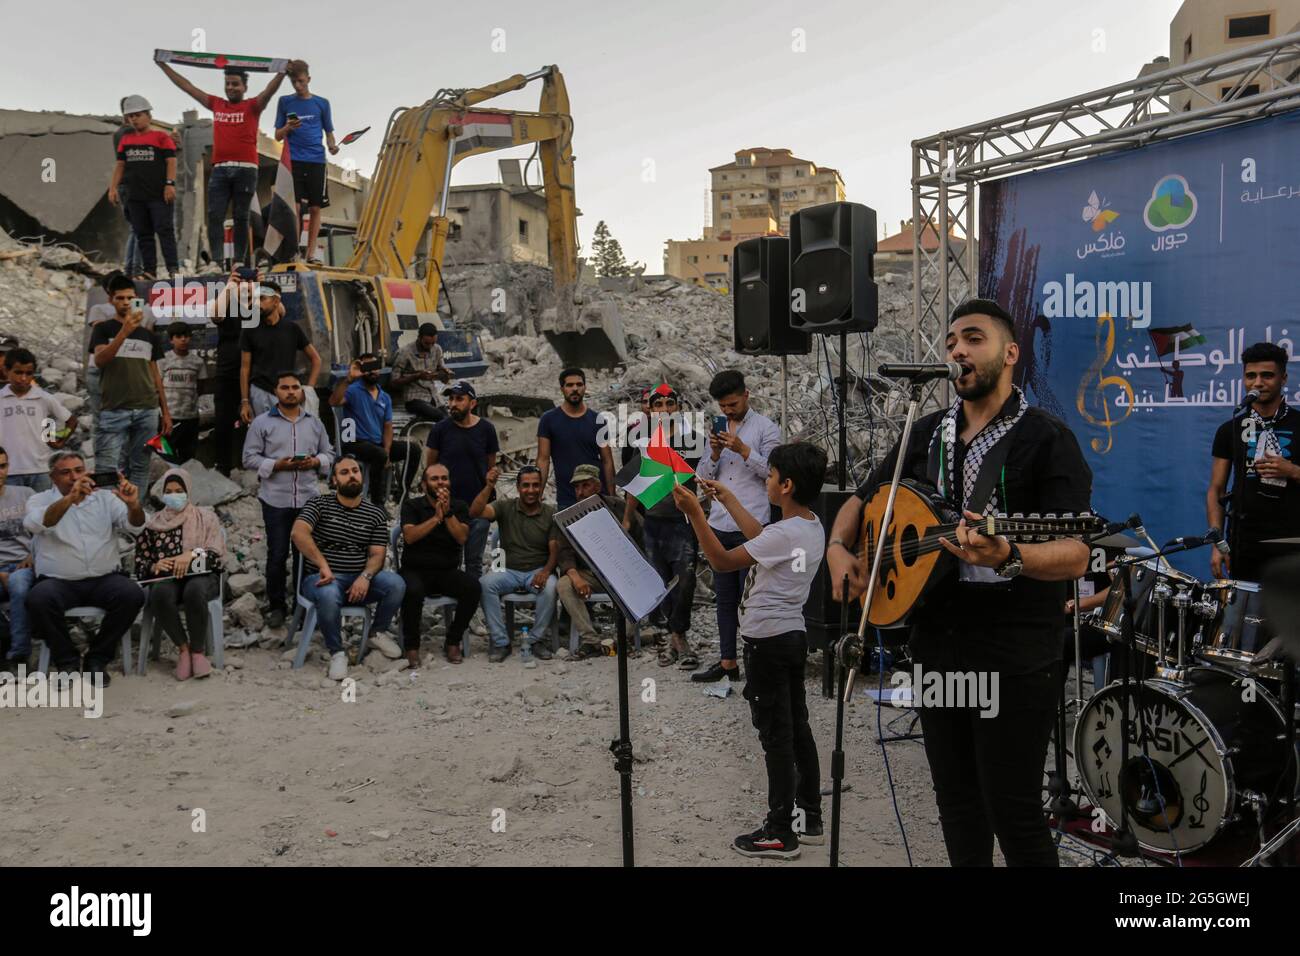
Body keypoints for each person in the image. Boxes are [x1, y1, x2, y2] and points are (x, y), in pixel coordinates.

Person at [826, 298, 1092, 867]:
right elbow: (862, 498)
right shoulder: (924, 434)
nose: (957, 351)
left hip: (1015, 650)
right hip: (939, 643)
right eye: (950, 343)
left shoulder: (1047, 440)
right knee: (957, 804)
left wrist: (1009, 554)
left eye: (973, 339)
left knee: (1012, 809)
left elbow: (1075, 553)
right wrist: (836, 549)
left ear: (1010, 353)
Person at [673, 442, 828, 859]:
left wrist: (696, 514)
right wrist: (731, 499)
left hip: (767, 642)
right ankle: (808, 816)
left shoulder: (785, 531)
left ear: (787, 484)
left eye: (771, 475)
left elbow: (723, 561)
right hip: (791, 636)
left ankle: (780, 832)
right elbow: (764, 540)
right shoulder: (809, 525)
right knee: (797, 727)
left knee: (775, 735)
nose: (768, 480)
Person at [23, 452, 147, 685]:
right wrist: (70, 498)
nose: (74, 477)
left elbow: (137, 525)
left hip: (103, 579)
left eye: (79, 470)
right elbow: (41, 523)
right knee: (38, 599)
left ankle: (97, 658)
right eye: (65, 472)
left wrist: (133, 505)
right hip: (59, 582)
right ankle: (66, 661)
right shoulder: (39, 500)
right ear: (52, 477)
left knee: (132, 594)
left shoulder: (105, 498)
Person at [692, 369, 780, 683]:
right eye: (723, 406)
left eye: (732, 404)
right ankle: (728, 662)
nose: (728, 410)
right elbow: (702, 476)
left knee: (752, 601)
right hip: (719, 523)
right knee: (725, 599)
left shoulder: (766, 428)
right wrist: (715, 452)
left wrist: (743, 450)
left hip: (751, 523)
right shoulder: (717, 429)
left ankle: (755, 664)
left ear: (746, 394)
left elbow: (773, 474)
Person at [157, 61, 287, 268]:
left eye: (235, 84)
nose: (230, 88)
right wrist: (163, 65)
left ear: (244, 87)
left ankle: (238, 262)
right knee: (215, 214)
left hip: (246, 169)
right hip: (220, 169)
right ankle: (217, 261)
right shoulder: (217, 104)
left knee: (241, 216)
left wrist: (281, 73)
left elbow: (268, 92)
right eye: (227, 84)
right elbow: (188, 87)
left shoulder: (252, 106)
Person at [292, 457, 405, 681]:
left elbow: (377, 554)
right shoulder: (319, 504)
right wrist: (324, 566)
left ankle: (376, 632)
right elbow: (298, 533)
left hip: (358, 580)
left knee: (396, 584)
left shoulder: (374, 513)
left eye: (355, 470)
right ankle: (337, 652)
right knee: (328, 592)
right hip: (321, 579)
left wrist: (365, 576)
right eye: (344, 472)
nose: (352, 475)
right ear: (334, 480)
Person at [242, 370, 335, 628]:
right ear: (276, 392)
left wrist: (316, 461)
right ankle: (277, 606)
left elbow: (329, 452)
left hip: (308, 499)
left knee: (304, 555)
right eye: (285, 388)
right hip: (275, 500)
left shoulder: (314, 423)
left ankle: (302, 605)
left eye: (295, 387)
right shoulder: (261, 423)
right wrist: (276, 465)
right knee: (277, 554)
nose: (291, 392)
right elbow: (248, 458)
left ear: (301, 391)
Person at [1207, 341, 1300, 581]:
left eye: (1267, 375)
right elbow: (1216, 488)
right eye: (1251, 376)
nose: (1258, 383)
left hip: (1292, 543)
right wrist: (1217, 541)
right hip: (1243, 543)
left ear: (1284, 378)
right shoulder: (1231, 428)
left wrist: (1292, 470)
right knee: (1243, 618)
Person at [622, 385, 700, 669]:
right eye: (659, 405)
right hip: (654, 522)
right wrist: (629, 518)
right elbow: (634, 483)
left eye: (670, 403)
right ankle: (674, 639)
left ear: (677, 408)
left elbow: (705, 475)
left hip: (683, 522)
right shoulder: (640, 441)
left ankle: (678, 635)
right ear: (650, 410)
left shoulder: (691, 440)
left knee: (686, 580)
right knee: (659, 583)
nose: (665, 409)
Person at [134, 467, 224, 680]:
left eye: (179, 490)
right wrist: (155, 565)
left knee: (195, 591)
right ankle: (183, 649)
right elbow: (140, 564)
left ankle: (198, 651)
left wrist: (192, 554)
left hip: (201, 575)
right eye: (169, 491)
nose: (174, 495)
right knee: (159, 594)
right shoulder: (154, 524)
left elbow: (216, 554)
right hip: (168, 577)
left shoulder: (206, 518)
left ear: (188, 490)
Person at [91, 275, 171, 494]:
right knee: (106, 468)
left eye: (130, 298)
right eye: (120, 298)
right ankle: (107, 518)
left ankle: (135, 517)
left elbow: (155, 375)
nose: (126, 302)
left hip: (146, 409)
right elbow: (99, 361)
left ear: (137, 300)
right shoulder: (103, 329)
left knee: (140, 466)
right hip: (114, 408)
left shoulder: (148, 335)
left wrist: (165, 411)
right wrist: (124, 331)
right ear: (111, 300)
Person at [470, 464, 559, 664]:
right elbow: (475, 511)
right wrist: (488, 486)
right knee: (485, 584)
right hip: (508, 569)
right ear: (518, 487)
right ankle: (500, 641)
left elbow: (555, 549)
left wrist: (546, 572)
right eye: (526, 485)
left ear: (541, 487)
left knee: (552, 587)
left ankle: (536, 640)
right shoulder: (505, 506)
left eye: (536, 485)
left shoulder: (549, 513)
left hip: (537, 570)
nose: (531, 490)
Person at [554, 463, 641, 659]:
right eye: (577, 487)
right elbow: (564, 552)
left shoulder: (618, 508)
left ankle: (624, 639)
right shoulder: (570, 516)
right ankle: (590, 640)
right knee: (564, 584)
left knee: (638, 583)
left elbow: (640, 539)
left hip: (620, 572)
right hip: (590, 574)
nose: (580, 492)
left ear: (597, 487)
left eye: (585, 486)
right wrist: (574, 576)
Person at [398, 463, 480, 666]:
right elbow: (409, 536)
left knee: (473, 588)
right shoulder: (412, 506)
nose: (440, 482)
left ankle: (453, 641)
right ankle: (412, 647)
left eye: (444, 478)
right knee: (413, 591)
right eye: (435, 479)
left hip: (446, 571)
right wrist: (436, 518)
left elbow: (461, 537)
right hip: (414, 569)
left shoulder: (459, 507)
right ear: (424, 485)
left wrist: (447, 512)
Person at [424, 381, 499, 580]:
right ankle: (454, 604)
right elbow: (429, 468)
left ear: (472, 403)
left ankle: (472, 602)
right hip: (449, 508)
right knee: (451, 560)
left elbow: (490, 467)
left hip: (478, 507)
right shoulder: (440, 429)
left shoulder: (486, 429)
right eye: (450, 399)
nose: (453, 403)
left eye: (459, 399)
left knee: (473, 562)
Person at [328, 353, 414, 507]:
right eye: (367, 368)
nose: (372, 371)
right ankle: (377, 503)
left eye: (374, 367)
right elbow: (334, 402)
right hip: (355, 443)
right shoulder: (353, 390)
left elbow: (388, 427)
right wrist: (349, 379)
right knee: (379, 454)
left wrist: (388, 451)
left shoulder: (384, 396)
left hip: (378, 444)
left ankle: (404, 492)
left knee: (412, 449)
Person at [107, 95, 179, 279]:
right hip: (135, 196)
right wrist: (113, 188)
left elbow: (171, 161)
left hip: (158, 194)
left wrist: (170, 184)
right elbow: (120, 165)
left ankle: (173, 269)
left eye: (138, 115)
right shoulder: (125, 139)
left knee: (165, 230)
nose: (134, 119)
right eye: (131, 116)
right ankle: (150, 271)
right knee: (143, 234)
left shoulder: (161, 137)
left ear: (148, 115)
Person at [274, 60, 338, 264]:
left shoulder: (322, 103)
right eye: (294, 82)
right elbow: (277, 135)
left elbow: (329, 134)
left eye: (301, 81)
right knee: (295, 208)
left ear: (309, 79)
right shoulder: (285, 102)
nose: (298, 86)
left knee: (315, 208)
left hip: (317, 161)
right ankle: (294, 251)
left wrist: (332, 146)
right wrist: (287, 129)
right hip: (294, 160)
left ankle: (311, 254)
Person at [239, 284, 321, 422]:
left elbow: (316, 359)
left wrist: (308, 390)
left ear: (276, 302)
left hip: (287, 392)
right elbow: (245, 368)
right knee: (265, 437)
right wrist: (245, 402)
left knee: (290, 436)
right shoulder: (249, 330)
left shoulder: (291, 329)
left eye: (262, 299)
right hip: (260, 391)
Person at [536, 368, 616, 510]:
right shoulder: (548, 420)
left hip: (597, 497)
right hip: (567, 498)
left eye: (579, 385)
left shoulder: (598, 420)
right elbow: (543, 460)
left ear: (585, 387)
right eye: (570, 385)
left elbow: (607, 460)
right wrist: (538, 497)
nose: (575, 389)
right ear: (562, 389)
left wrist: (612, 496)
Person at [0, 348, 77, 492]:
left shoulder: (43, 398)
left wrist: (59, 438)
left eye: (28, 373)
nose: (23, 378)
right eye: (18, 372)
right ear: (6, 371)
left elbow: (71, 421)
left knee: (41, 512)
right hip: (9, 472)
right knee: (11, 512)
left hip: (39, 470)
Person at [207, 267, 259, 474]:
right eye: (241, 280)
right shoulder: (226, 303)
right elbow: (216, 316)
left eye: (248, 281)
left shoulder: (258, 304)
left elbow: (279, 310)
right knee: (223, 422)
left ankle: (254, 465)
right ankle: (223, 466)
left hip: (254, 374)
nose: (244, 284)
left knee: (257, 422)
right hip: (227, 372)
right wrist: (229, 287)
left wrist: (259, 287)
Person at [0, 447, 36, 665]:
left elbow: (45, 533)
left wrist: (33, 555)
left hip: (25, 566)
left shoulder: (26, 494)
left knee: (19, 585)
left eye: (2, 466)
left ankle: (19, 654)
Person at [157, 323, 205, 463]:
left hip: (190, 418)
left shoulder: (198, 362)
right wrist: (163, 415)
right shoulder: (163, 360)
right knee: (166, 458)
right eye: (178, 337)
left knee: (188, 459)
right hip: (169, 419)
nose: (183, 340)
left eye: (186, 336)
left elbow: (201, 387)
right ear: (171, 340)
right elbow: (158, 388)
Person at [390, 323, 451, 422]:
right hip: (414, 398)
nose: (430, 346)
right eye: (427, 343)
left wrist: (445, 373)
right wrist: (417, 376)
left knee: (449, 420)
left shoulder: (437, 349)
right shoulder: (405, 352)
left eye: (433, 343)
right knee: (440, 417)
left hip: (433, 396)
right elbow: (394, 382)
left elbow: (442, 372)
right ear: (419, 338)